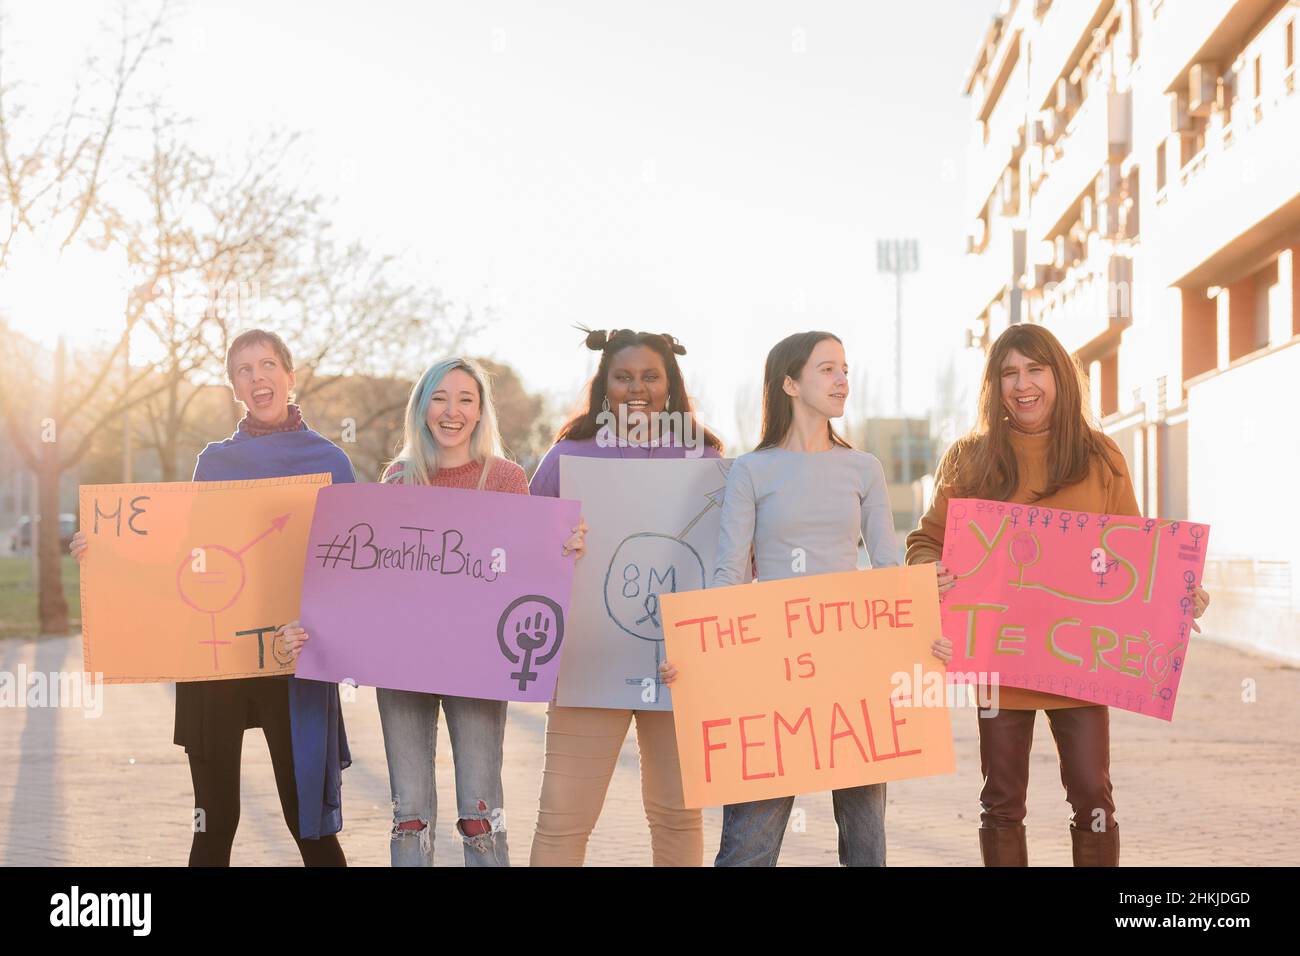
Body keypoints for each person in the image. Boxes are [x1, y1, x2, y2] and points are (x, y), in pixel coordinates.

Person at [905, 323, 1210, 866]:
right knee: (1001, 802)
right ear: (994, 386)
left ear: (1060, 377)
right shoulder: (969, 459)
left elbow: (1134, 553)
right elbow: (925, 539)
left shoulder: (1101, 456)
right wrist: (929, 568)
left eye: (1035, 369)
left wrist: (1178, 594)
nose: (1023, 385)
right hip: (1000, 659)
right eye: (1009, 373)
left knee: (1093, 795)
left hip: (1079, 661)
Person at [660, 330, 952, 867]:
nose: (843, 379)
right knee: (750, 844)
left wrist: (922, 639)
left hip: (854, 668)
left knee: (866, 845)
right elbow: (729, 572)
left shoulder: (864, 468)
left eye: (845, 368)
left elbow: (888, 567)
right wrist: (695, 654)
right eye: (827, 369)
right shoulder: (751, 469)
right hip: (772, 672)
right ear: (790, 383)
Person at [71, 328, 353, 866]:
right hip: (216, 656)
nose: (257, 378)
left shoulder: (330, 463)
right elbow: (184, 557)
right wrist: (105, 551)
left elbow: (349, 566)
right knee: (214, 819)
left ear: (289, 377)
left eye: (267, 365)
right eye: (244, 371)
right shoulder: (215, 463)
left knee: (307, 825)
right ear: (235, 389)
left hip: (292, 661)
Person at [376, 357, 586, 866]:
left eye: (465, 399)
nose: (452, 411)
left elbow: (527, 569)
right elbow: (375, 576)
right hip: (403, 663)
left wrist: (562, 549)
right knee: (410, 814)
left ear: (480, 410)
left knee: (479, 811)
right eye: (440, 398)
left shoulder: (506, 479)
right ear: (422, 407)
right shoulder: (398, 479)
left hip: (478, 665)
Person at [528, 328, 724, 867]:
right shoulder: (567, 457)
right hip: (587, 662)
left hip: (678, 666)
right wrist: (557, 547)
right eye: (623, 377)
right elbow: (525, 553)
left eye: (650, 376)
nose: (637, 388)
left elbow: (733, 560)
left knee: (678, 817)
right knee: (562, 820)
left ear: (671, 384)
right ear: (604, 384)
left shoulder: (705, 457)